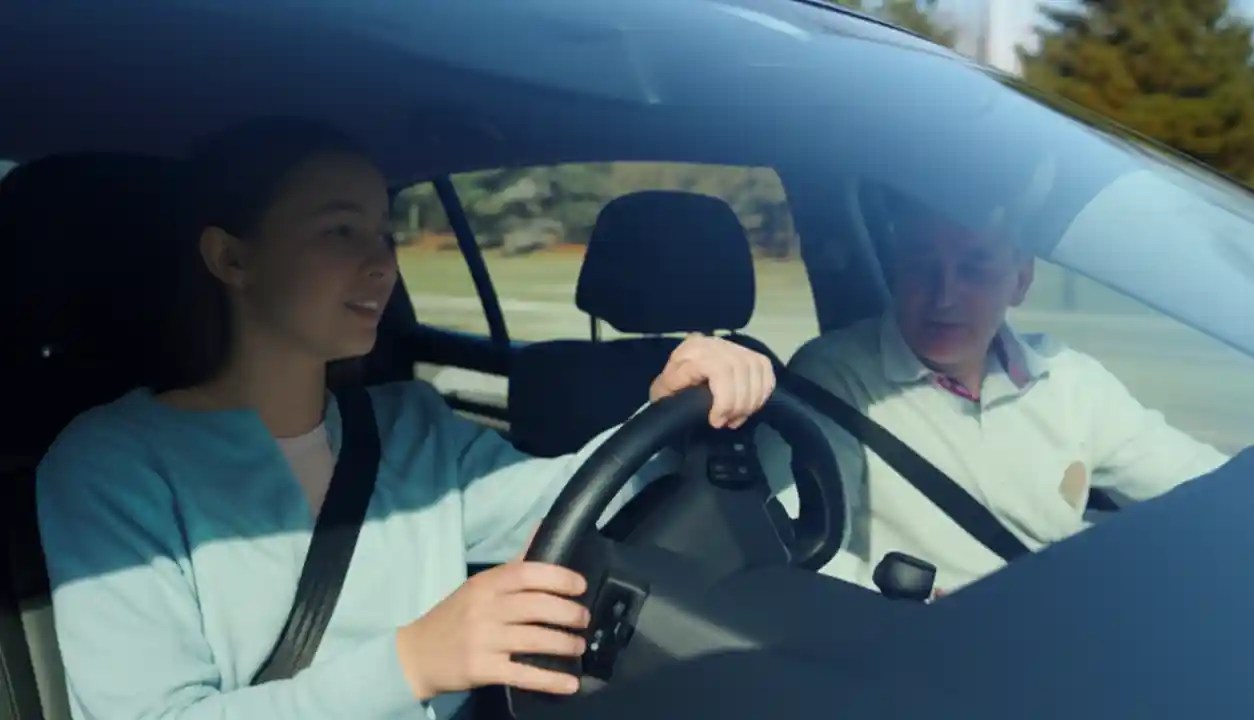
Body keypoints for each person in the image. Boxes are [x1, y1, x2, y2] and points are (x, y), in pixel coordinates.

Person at [35, 118, 778, 720]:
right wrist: (414, 662)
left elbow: (568, 506)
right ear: (232, 259)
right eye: (339, 232)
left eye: (385, 234)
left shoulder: (409, 427)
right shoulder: (111, 465)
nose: (382, 264)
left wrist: (670, 403)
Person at [761, 198, 1227, 594]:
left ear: (1021, 280)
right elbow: (792, 542)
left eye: (974, 268)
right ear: (897, 271)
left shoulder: (1067, 379)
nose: (945, 296)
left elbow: (1208, 487)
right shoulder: (832, 379)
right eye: (923, 266)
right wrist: (912, 611)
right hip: (913, 659)